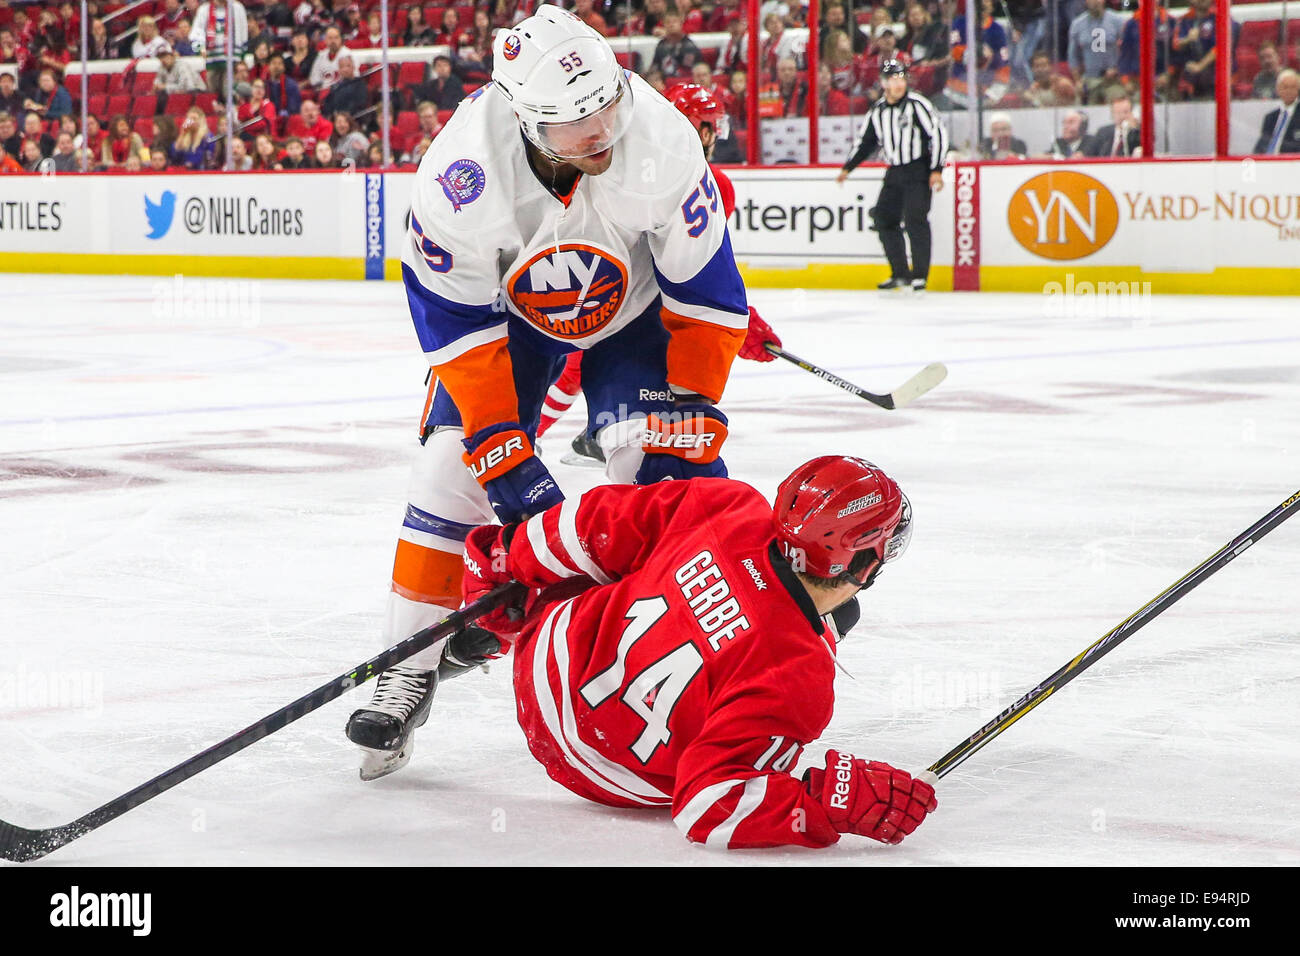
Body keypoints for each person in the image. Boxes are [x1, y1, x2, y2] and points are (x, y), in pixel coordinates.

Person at [343, 6, 752, 781]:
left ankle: (701, 657)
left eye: (607, 108)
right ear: (528, 120)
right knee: (446, 467)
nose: (600, 131)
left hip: (633, 321)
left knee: (654, 468)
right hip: (513, 325)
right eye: (575, 125)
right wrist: (498, 444)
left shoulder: (661, 141)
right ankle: (407, 663)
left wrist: (691, 411)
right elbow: (456, 323)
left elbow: (705, 300)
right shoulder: (460, 178)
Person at [452, 456, 937, 850]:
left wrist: (506, 556)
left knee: (641, 548)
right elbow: (709, 806)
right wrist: (821, 800)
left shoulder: (729, 506)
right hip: (605, 774)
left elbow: (593, 524)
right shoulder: (800, 678)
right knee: (796, 638)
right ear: (860, 561)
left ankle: (500, 622)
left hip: (543, 657)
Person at [535, 81, 782, 457]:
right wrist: (740, 322)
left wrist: (740, 322)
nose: (717, 134)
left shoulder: (621, 164)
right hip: (623, 292)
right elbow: (692, 273)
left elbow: (691, 267)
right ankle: (572, 433)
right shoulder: (709, 183)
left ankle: (599, 433)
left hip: (607, 287)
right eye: (713, 125)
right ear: (700, 129)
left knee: (595, 365)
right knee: (581, 364)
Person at [837, 59, 946, 293]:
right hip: (894, 170)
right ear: (884, 83)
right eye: (893, 79)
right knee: (884, 219)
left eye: (902, 78)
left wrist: (936, 169)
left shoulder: (917, 105)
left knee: (915, 219)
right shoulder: (878, 110)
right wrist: (848, 167)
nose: (899, 83)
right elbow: (865, 142)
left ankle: (919, 276)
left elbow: (937, 135)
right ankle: (900, 273)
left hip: (918, 169)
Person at [1254, 69, 1300, 155]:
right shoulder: (1270, 117)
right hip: (1267, 163)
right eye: (1285, 87)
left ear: (1298, 89)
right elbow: (1260, 147)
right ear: (1278, 89)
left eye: (1293, 87)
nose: (1289, 91)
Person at [1083, 92, 1140, 157]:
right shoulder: (1103, 132)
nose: (1122, 116)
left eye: (1125, 112)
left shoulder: (1137, 133)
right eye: (1118, 113)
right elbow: (1089, 154)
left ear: (1132, 113)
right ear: (1112, 114)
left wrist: (1134, 129)